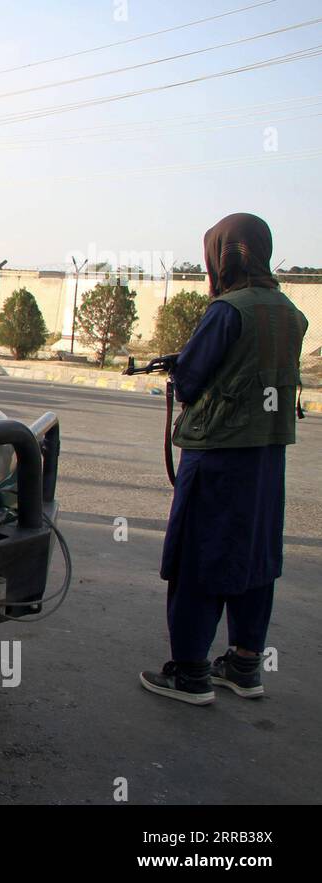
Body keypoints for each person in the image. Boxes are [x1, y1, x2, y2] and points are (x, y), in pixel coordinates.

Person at [139, 213, 308, 706]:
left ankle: (190, 672)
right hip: (267, 454)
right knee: (254, 555)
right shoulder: (289, 311)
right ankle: (244, 664)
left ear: (223, 254)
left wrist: (180, 369)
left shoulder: (227, 311)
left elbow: (191, 381)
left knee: (198, 556)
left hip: (217, 454)